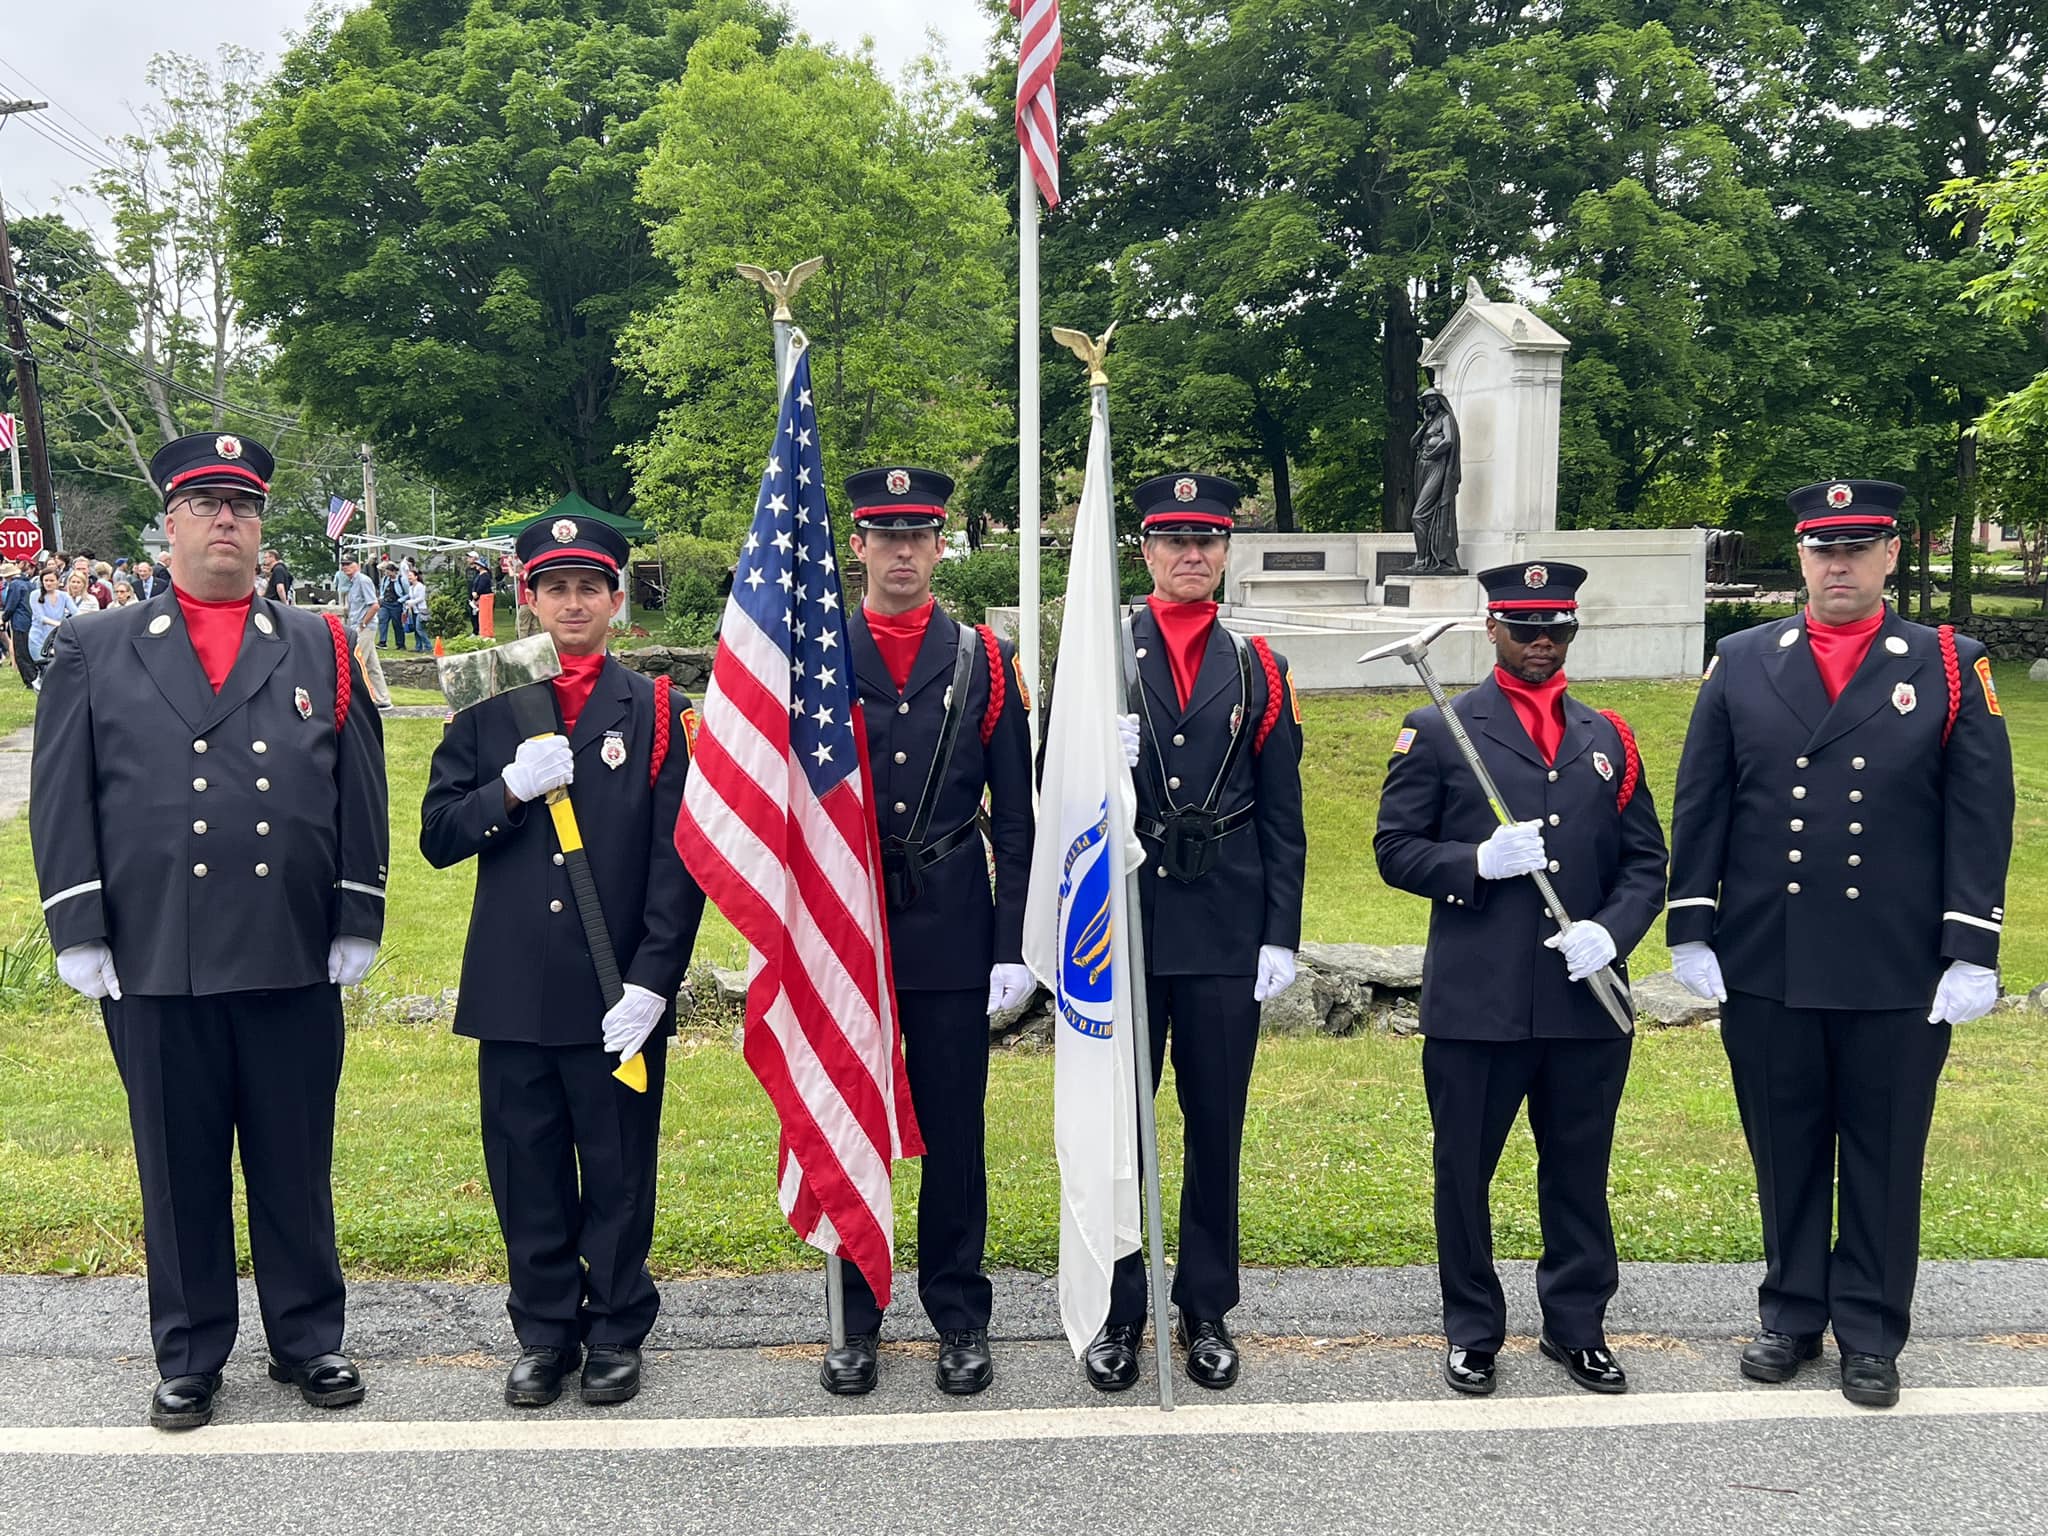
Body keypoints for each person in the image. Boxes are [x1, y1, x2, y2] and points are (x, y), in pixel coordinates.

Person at [29, 431, 389, 1431]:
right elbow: (61, 798)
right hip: (154, 950)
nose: (226, 519)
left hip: (289, 942)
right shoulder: (96, 645)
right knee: (177, 1164)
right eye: (206, 504)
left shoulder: (317, 639)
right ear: (171, 524)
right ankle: (188, 1352)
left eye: (243, 505)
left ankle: (309, 1339)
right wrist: (77, 925)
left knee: (291, 1154)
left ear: (260, 529)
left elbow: (359, 785)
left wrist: (358, 908)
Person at [1667, 479, 2014, 1409]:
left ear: (1893, 555)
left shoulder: (1946, 660)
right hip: (1769, 952)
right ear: (1802, 556)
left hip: (1896, 960)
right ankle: (1790, 1312)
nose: (1839, 565)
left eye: (1859, 548)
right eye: (1823, 549)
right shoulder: (1740, 659)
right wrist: (1692, 923)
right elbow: (1702, 801)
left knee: (1883, 1148)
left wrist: (1972, 946)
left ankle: (1869, 1328)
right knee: (1783, 1143)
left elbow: (1982, 815)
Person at [421, 514, 705, 1410]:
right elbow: (437, 834)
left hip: (615, 987)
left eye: (590, 587)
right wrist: (507, 788)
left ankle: (618, 1327)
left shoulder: (655, 708)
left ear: (618, 601)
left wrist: (655, 982)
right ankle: (545, 1330)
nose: (573, 603)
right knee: (526, 1164)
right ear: (528, 598)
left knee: (619, 1166)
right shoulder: (487, 704)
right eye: (555, 588)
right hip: (514, 988)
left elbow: (677, 861)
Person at [1374, 562, 1667, 1397]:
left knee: (1579, 1168)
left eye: (1557, 629)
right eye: (1525, 628)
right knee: (1464, 1171)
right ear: (1491, 629)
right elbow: (1395, 849)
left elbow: (1646, 862)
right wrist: (1477, 861)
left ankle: (1577, 1326)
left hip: (1584, 996)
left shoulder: (1609, 736)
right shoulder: (1437, 728)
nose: (1542, 643)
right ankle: (1473, 1328)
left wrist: (1610, 934)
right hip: (1479, 999)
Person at [818, 467, 1035, 1399]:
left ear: (941, 545)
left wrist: (1013, 943)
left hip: (953, 919)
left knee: (953, 1130)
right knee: (849, 1121)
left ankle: (958, 1313)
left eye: (920, 534)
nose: (902, 551)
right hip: (848, 923)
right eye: (884, 534)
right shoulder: (818, 651)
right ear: (857, 546)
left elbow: (1018, 818)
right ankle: (854, 1319)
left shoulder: (985, 658)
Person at [1088, 473, 1305, 1394]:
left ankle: (1206, 1304)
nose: (1191, 554)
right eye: (1174, 538)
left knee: (1215, 1125)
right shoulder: (1100, 654)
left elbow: (1284, 811)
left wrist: (1280, 933)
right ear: (1143, 549)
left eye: (1208, 539)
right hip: (1126, 925)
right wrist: (1100, 760)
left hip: (1224, 920)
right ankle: (1117, 1308)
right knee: (1119, 1133)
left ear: (1226, 551)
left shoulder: (1258, 666)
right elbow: (1056, 805)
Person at [28, 570, 77, 677]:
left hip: (56, 639)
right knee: (44, 669)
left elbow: (75, 612)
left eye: (51, 580)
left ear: (57, 581)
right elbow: (40, 617)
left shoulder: (64, 596)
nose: (48, 583)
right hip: (38, 638)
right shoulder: (35, 595)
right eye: (46, 580)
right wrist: (60, 624)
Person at [2, 562, 34, 690]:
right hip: (30, 619)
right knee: (29, 651)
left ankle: (29, 680)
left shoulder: (14, 585)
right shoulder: (29, 583)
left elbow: (11, 604)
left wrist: (4, 618)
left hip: (20, 621)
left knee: (21, 652)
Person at [341, 556, 377, 634]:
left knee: (364, 646)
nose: (345, 567)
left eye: (348, 564)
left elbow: (375, 606)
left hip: (365, 627)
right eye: (343, 564)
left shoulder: (363, 580)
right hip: (354, 626)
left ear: (357, 565)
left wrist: (363, 625)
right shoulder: (352, 582)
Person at [375, 562, 407, 649]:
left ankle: (400, 644)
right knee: (382, 620)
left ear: (394, 572)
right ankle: (382, 642)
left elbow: (408, 593)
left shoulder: (401, 580)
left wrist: (400, 601)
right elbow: (382, 589)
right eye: (386, 573)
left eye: (389, 572)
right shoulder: (385, 579)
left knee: (397, 624)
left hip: (396, 604)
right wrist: (381, 597)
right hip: (385, 603)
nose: (387, 574)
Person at [406, 564, 431, 651]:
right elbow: (410, 597)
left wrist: (411, 602)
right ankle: (418, 646)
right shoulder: (410, 588)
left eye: (410, 575)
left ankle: (428, 646)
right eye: (408, 576)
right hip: (414, 610)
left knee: (419, 628)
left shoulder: (420, 586)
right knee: (416, 630)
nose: (409, 577)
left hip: (421, 610)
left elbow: (421, 598)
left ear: (416, 577)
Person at [468, 553, 494, 637]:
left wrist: (477, 593)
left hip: (485, 598)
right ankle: (482, 633)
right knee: (481, 617)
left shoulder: (485, 575)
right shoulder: (480, 574)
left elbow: (482, 586)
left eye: (478, 564)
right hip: (480, 598)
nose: (476, 565)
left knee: (485, 617)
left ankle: (487, 634)